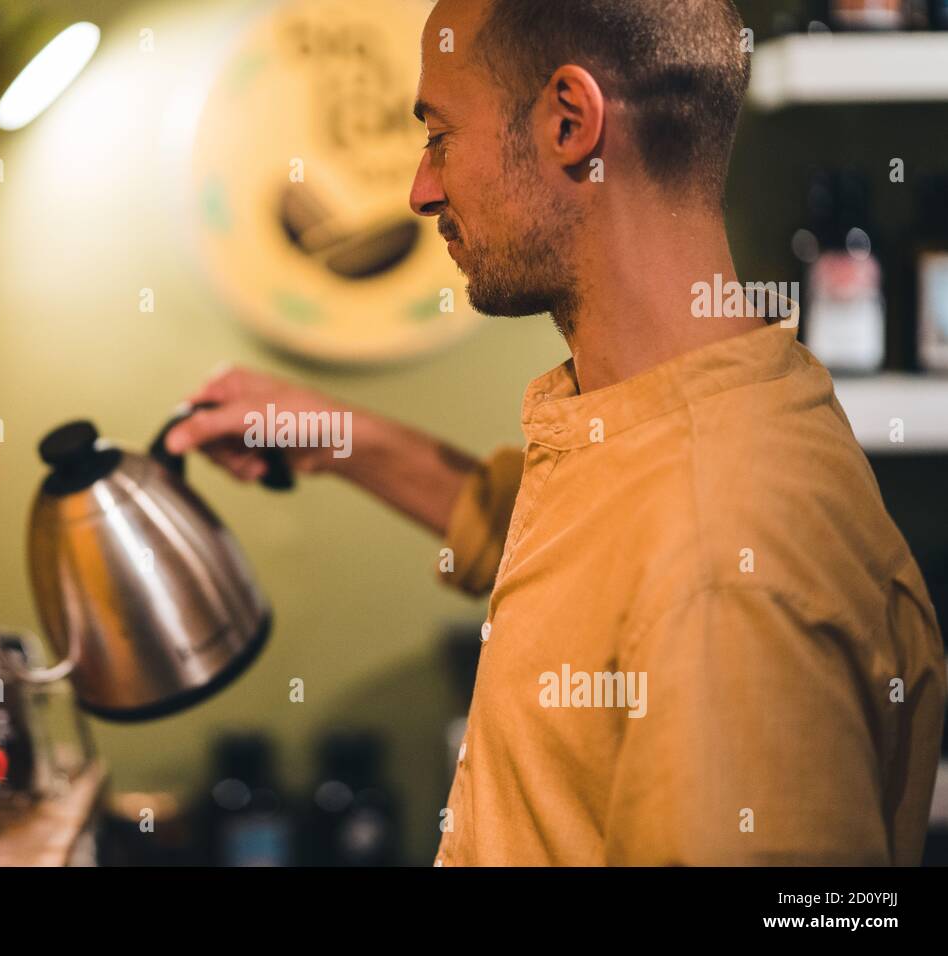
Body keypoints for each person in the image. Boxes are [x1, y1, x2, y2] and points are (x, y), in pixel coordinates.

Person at [164, 0, 945, 865]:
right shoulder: (702, 413)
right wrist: (341, 437)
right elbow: (581, 557)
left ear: (570, 122)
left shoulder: (724, 568)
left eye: (439, 134)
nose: (422, 189)